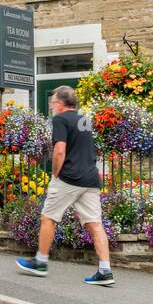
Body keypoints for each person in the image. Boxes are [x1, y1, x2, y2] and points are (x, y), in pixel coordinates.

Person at [16, 85, 114, 286]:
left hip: (69, 178)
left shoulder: (60, 119)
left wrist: (55, 173)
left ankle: (41, 262)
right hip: (91, 179)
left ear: (60, 104)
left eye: (53, 103)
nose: (52, 106)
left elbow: (60, 150)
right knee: (95, 224)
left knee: (48, 217)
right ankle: (105, 270)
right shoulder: (84, 119)